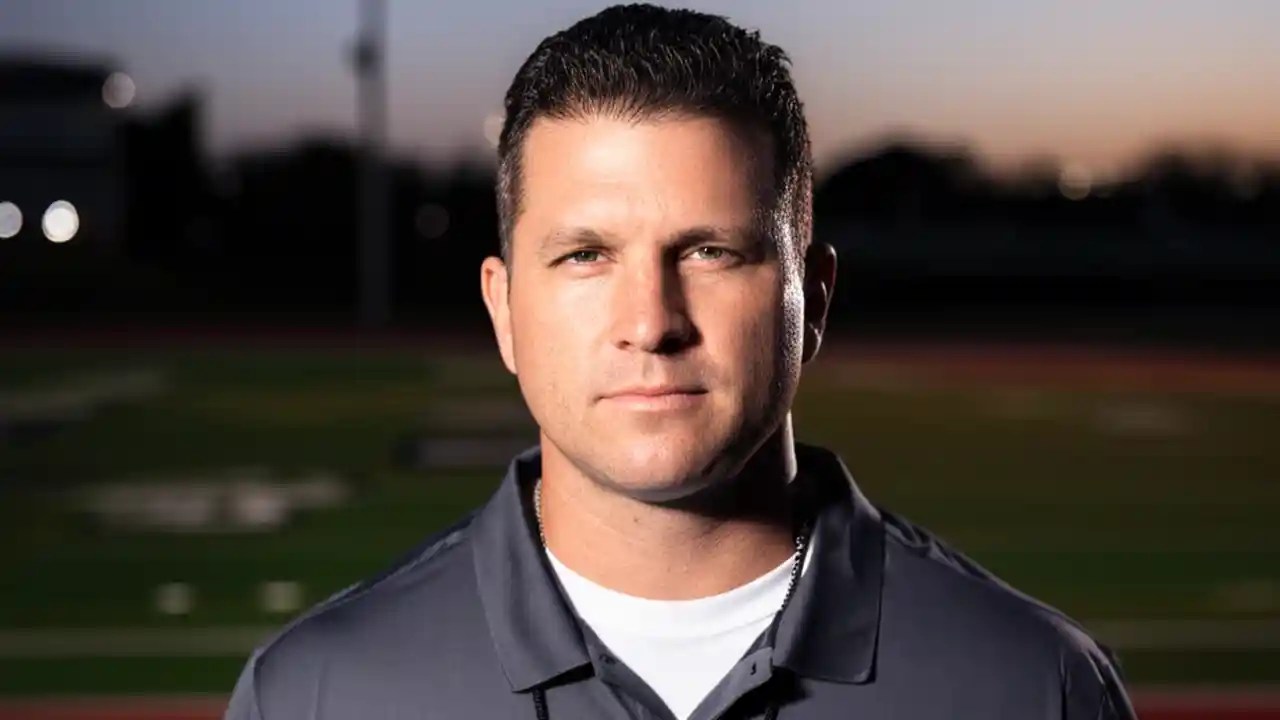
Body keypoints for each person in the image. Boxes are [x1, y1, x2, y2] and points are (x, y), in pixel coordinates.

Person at [225, 4, 1135, 718]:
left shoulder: (1033, 687)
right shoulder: (315, 696)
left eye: (709, 252)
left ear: (813, 301)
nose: (650, 322)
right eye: (586, 255)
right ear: (504, 311)